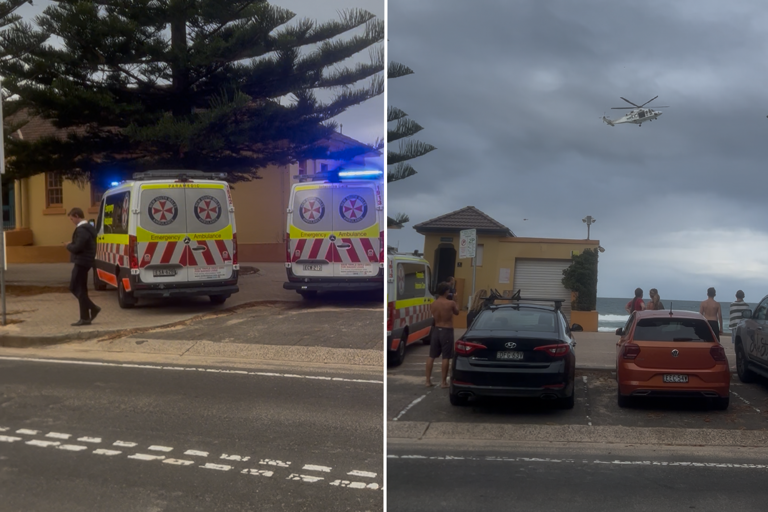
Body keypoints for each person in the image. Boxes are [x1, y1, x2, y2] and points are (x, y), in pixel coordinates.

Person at [66, 208, 101, 326]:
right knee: (82, 290)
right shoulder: (87, 229)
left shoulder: (82, 230)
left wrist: (68, 246)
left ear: (76, 216)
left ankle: (93, 308)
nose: (71, 221)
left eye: (71, 218)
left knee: (74, 287)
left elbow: (78, 247)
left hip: (82, 262)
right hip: (85, 261)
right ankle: (85, 317)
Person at [427, 282, 459, 388]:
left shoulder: (433, 303)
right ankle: (443, 382)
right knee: (446, 357)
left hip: (436, 330)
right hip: (446, 330)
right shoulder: (450, 303)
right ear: (446, 291)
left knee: (431, 356)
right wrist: (455, 300)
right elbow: (457, 312)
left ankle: (427, 380)